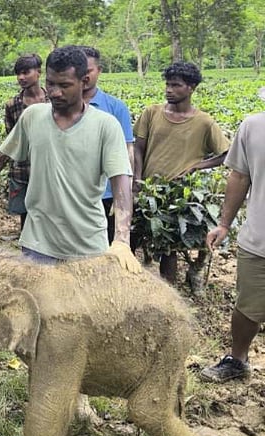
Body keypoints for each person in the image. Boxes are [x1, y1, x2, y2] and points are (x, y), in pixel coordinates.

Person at [0, 45, 140, 273]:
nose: (55, 92)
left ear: (84, 82)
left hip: (87, 245)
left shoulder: (106, 126)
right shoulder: (33, 116)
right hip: (38, 244)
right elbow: (1, 157)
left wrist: (121, 241)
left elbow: (120, 181)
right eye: (51, 83)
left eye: (64, 85)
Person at [133, 61, 229, 285]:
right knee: (133, 238)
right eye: (167, 84)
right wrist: (137, 179)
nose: (169, 89)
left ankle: (170, 293)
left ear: (191, 88)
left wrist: (197, 166)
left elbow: (226, 154)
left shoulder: (203, 122)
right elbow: (138, 148)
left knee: (169, 248)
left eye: (176, 85)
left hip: (177, 196)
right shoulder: (151, 113)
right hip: (147, 190)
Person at [200, 106, 265, 383]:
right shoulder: (253, 127)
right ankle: (237, 360)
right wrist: (224, 224)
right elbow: (239, 176)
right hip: (259, 239)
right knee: (247, 308)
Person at [80, 46, 135, 244]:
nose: (83, 76)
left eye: (88, 71)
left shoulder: (115, 107)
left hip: (106, 193)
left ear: (99, 71)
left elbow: (128, 151)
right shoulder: (58, 107)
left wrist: (128, 192)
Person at [4, 53, 48, 230]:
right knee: (26, 216)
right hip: (23, 170)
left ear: (38, 72)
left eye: (26, 72)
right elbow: (11, 139)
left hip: (48, 168)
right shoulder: (12, 105)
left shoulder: (53, 101)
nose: (21, 77)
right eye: (18, 73)